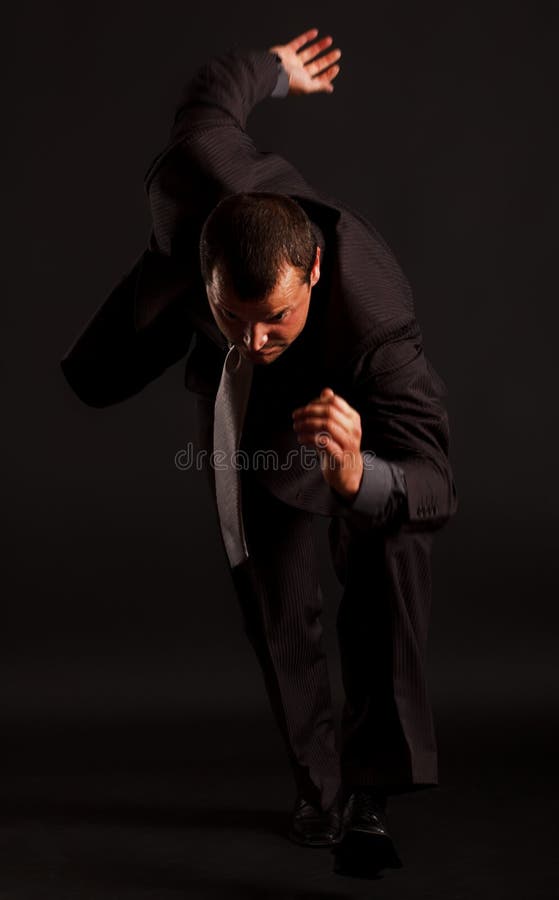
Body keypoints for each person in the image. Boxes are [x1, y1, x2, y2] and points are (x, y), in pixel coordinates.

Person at [60, 29, 458, 878]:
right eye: (234, 316)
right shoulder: (202, 167)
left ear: (311, 271)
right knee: (274, 598)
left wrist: (360, 476)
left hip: (341, 408)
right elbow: (214, 88)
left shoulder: (375, 319)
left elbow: (436, 482)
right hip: (245, 410)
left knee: (389, 558)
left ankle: (370, 790)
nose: (254, 337)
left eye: (271, 319)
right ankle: (318, 791)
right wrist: (277, 68)